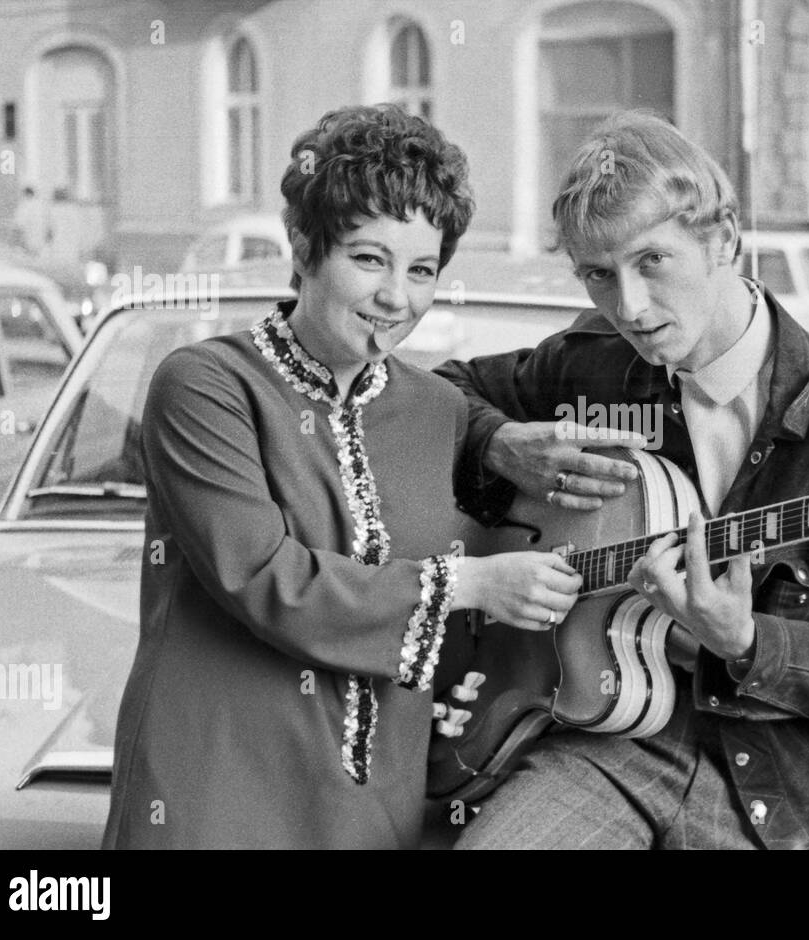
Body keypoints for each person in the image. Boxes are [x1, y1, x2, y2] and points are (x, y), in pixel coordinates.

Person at [435, 111, 809, 850]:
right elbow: (441, 392)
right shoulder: (595, 361)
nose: (629, 307)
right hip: (607, 733)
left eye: (652, 262)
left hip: (785, 785)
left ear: (724, 240)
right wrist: (503, 443)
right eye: (598, 275)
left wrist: (746, 642)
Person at [102, 104, 581, 849]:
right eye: (369, 258)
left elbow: (465, 623)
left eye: (421, 270)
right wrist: (470, 585)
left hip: (373, 809)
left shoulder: (437, 410)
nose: (398, 297)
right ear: (303, 247)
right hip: (214, 794)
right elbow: (263, 578)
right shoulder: (204, 384)